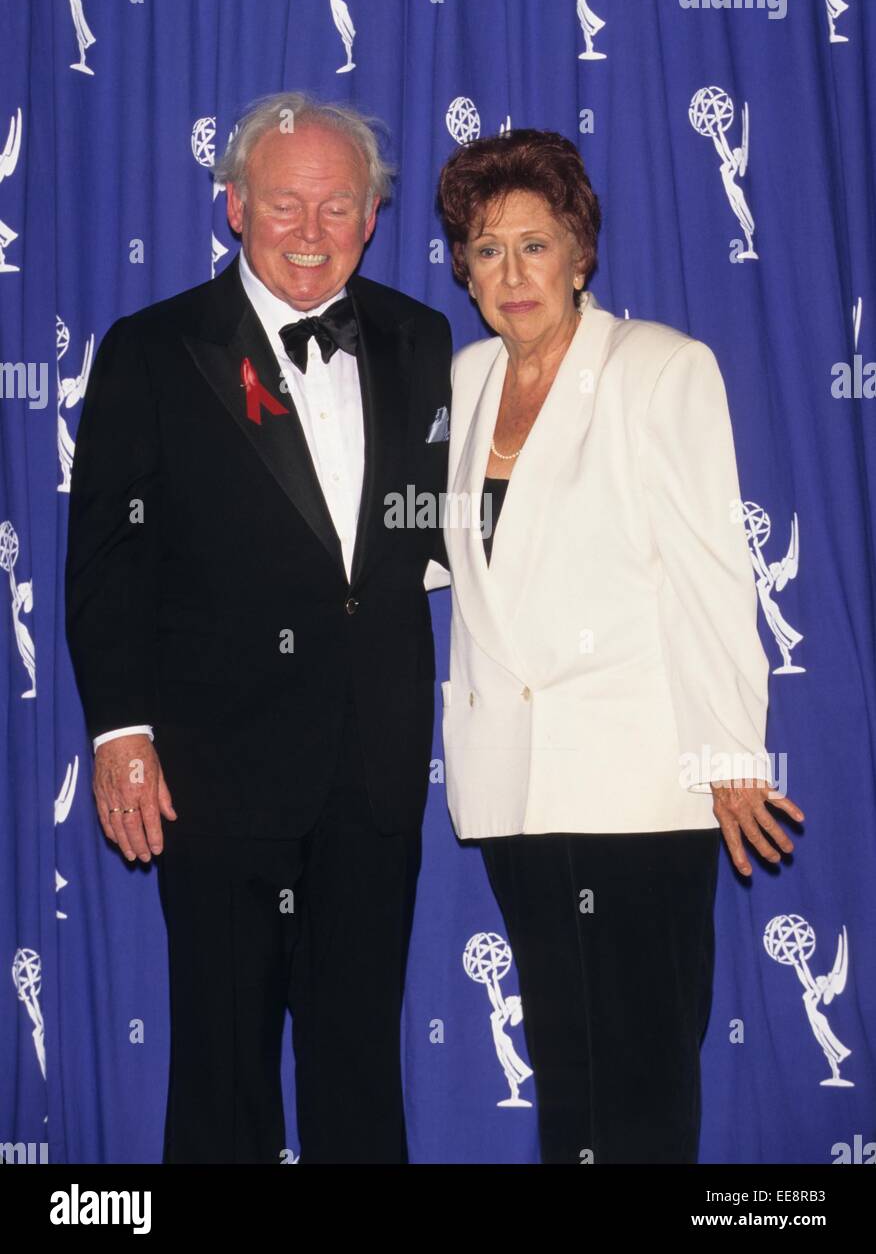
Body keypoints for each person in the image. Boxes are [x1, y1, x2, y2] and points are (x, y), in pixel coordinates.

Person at [65, 92, 451, 1164]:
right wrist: (119, 735)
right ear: (234, 205)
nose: (313, 232)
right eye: (287, 204)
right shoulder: (153, 350)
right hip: (215, 771)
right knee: (222, 1070)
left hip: (372, 770)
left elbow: (446, 527)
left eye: (340, 206)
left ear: (374, 217)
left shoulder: (424, 340)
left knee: (360, 1067)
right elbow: (108, 560)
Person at [436, 128, 804, 1164]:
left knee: (640, 1076)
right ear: (462, 266)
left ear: (581, 254)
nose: (512, 273)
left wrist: (732, 755)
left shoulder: (660, 370)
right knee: (570, 1068)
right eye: (487, 247)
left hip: (637, 786)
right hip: (518, 794)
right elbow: (440, 547)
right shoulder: (462, 382)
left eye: (535, 245)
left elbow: (710, 572)